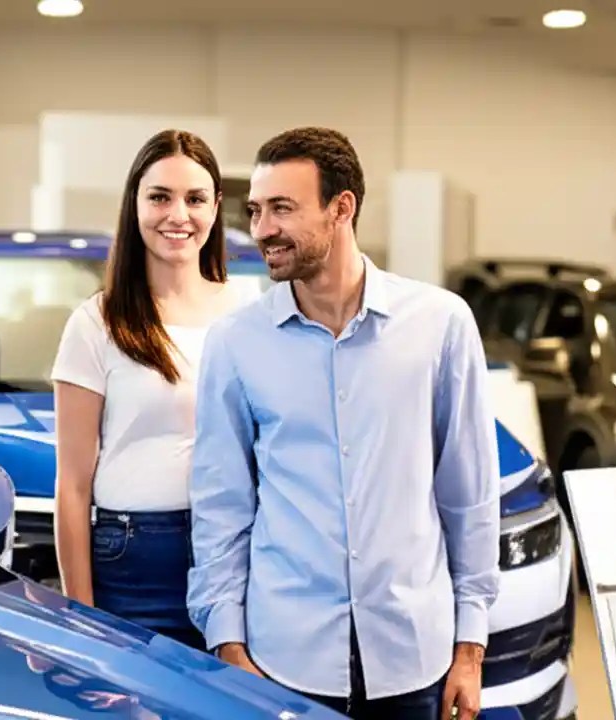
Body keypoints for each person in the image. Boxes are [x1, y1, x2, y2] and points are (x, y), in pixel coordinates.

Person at [186, 127, 500, 720]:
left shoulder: (440, 324)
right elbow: (221, 505)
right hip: (282, 659)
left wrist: (470, 648)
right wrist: (227, 641)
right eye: (255, 210)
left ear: (341, 208)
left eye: (282, 208)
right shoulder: (236, 342)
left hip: (415, 653)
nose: (261, 230)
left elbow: (469, 497)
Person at [50, 129, 243, 651]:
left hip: (233, 555)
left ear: (216, 207)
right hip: (132, 560)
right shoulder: (97, 323)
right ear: (134, 203)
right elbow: (71, 487)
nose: (177, 215)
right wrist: (79, 616)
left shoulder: (249, 316)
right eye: (159, 196)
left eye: (195, 198)